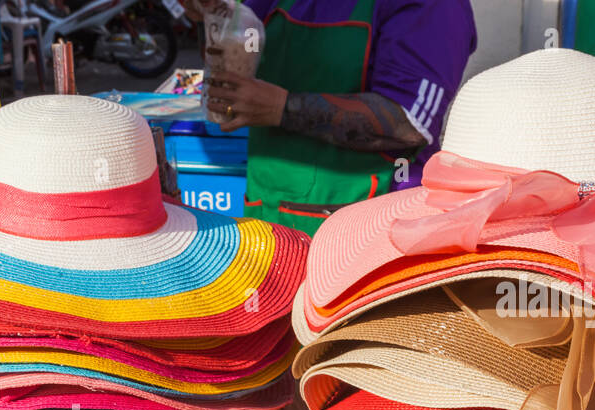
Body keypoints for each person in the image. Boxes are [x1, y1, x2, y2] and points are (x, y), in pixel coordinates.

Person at [193, 0, 476, 235]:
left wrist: (281, 108)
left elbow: (407, 123)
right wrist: (212, 14)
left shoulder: (435, 6)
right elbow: (243, 36)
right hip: (268, 212)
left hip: (372, 227)